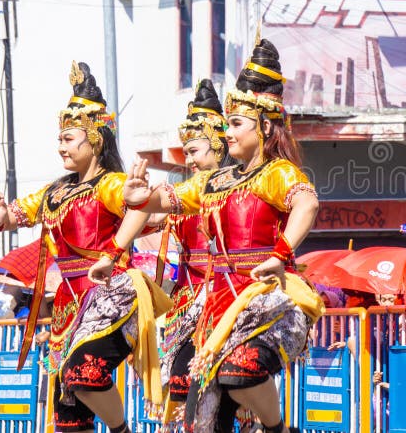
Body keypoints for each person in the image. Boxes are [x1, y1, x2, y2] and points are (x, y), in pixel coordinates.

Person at [90, 38, 323, 433]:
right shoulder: (214, 182)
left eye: (235, 124)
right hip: (215, 307)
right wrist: (128, 220)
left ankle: (279, 428)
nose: (228, 132)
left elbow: (307, 205)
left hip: (265, 299)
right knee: (203, 421)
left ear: (264, 127)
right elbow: (157, 202)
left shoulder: (276, 173)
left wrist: (279, 253)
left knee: (242, 371)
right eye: (227, 124)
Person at [0, 62, 172, 433]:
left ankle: (121, 431)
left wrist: (114, 247)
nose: (61, 147)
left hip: (110, 295)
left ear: (95, 139)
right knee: (69, 415)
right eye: (60, 139)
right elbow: (10, 217)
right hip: (70, 308)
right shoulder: (55, 191)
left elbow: (137, 207)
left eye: (69, 139)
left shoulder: (111, 184)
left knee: (82, 374)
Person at [159, 79, 233, 430]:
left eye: (194, 151)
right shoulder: (183, 195)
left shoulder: (239, 190)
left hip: (227, 300)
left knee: (224, 389)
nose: (187, 160)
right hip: (187, 306)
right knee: (181, 382)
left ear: (218, 147)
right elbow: (152, 214)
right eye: (185, 152)